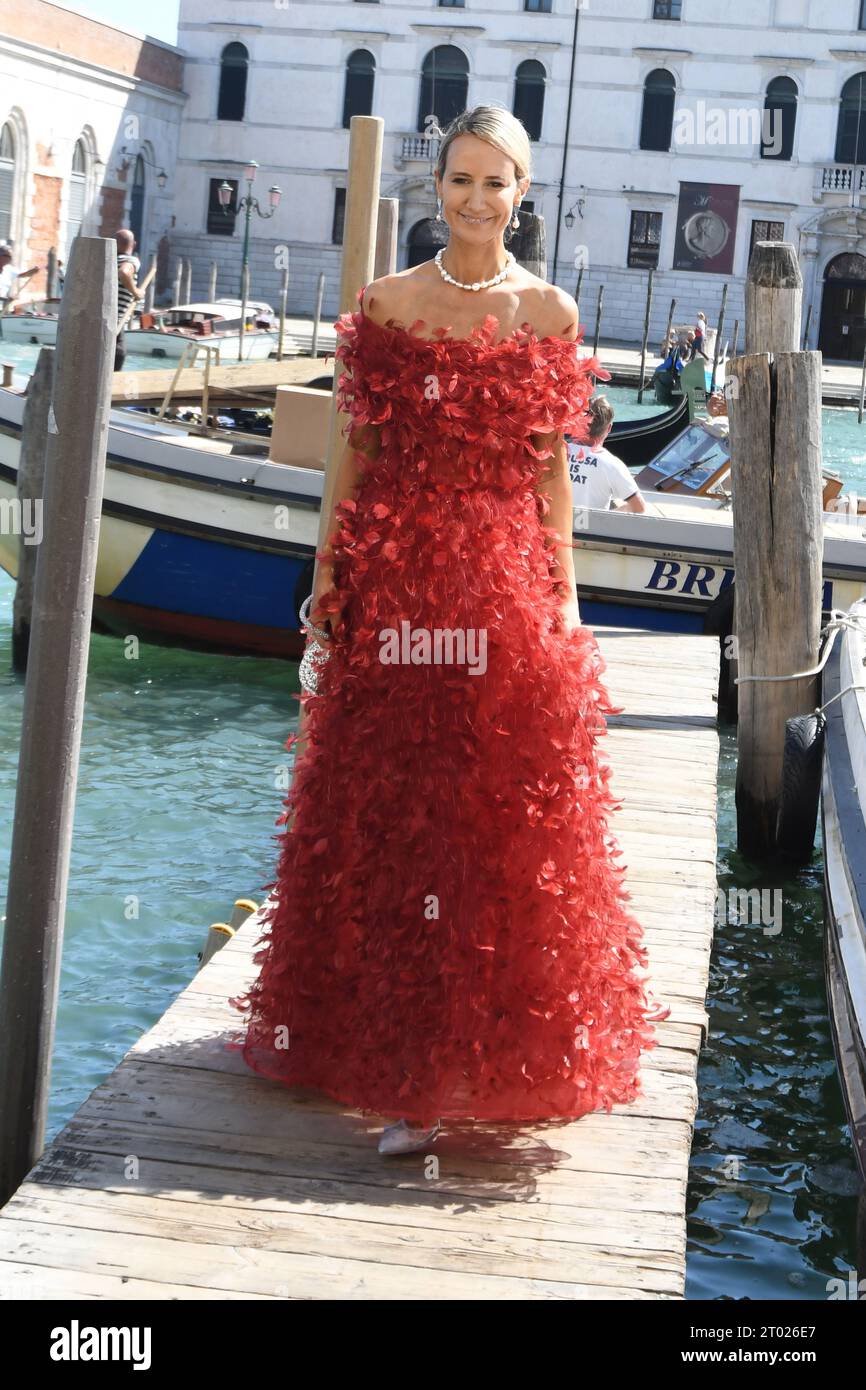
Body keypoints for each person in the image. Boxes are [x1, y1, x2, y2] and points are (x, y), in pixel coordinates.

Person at [227, 105, 669, 1156]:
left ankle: (496, 1060)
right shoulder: (387, 303)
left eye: (495, 183)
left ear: (523, 193)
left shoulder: (549, 314)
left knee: (498, 827)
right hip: (398, 586)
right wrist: (328, 580)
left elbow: (548, 471)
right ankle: (401, 1073)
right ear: (439, 188)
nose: (476, 201)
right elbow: (353, 454)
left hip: (506, 592)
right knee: (392, 818)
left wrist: (563, 598)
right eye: (460, 181)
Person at [567, 396, 646, 514]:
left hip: (555, 529)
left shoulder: (557, 453)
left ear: (578, 423)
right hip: (588, 529)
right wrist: (610, 515)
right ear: (609, 428)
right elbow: (639, 508)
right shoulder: (612, 465)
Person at [113, 229, 144, 371]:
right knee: (119, 354)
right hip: (115, 320)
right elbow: (124, 272)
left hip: (99, 320)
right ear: (134, 244)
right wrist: (136, 292)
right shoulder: (131, 260)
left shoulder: (107, 261)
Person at [0, 242, 41, 309]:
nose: (9, 259)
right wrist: (6, 298)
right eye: (7, 256)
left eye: (10, 257)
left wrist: (33, 271)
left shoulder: (9, 269)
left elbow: (24, 274)